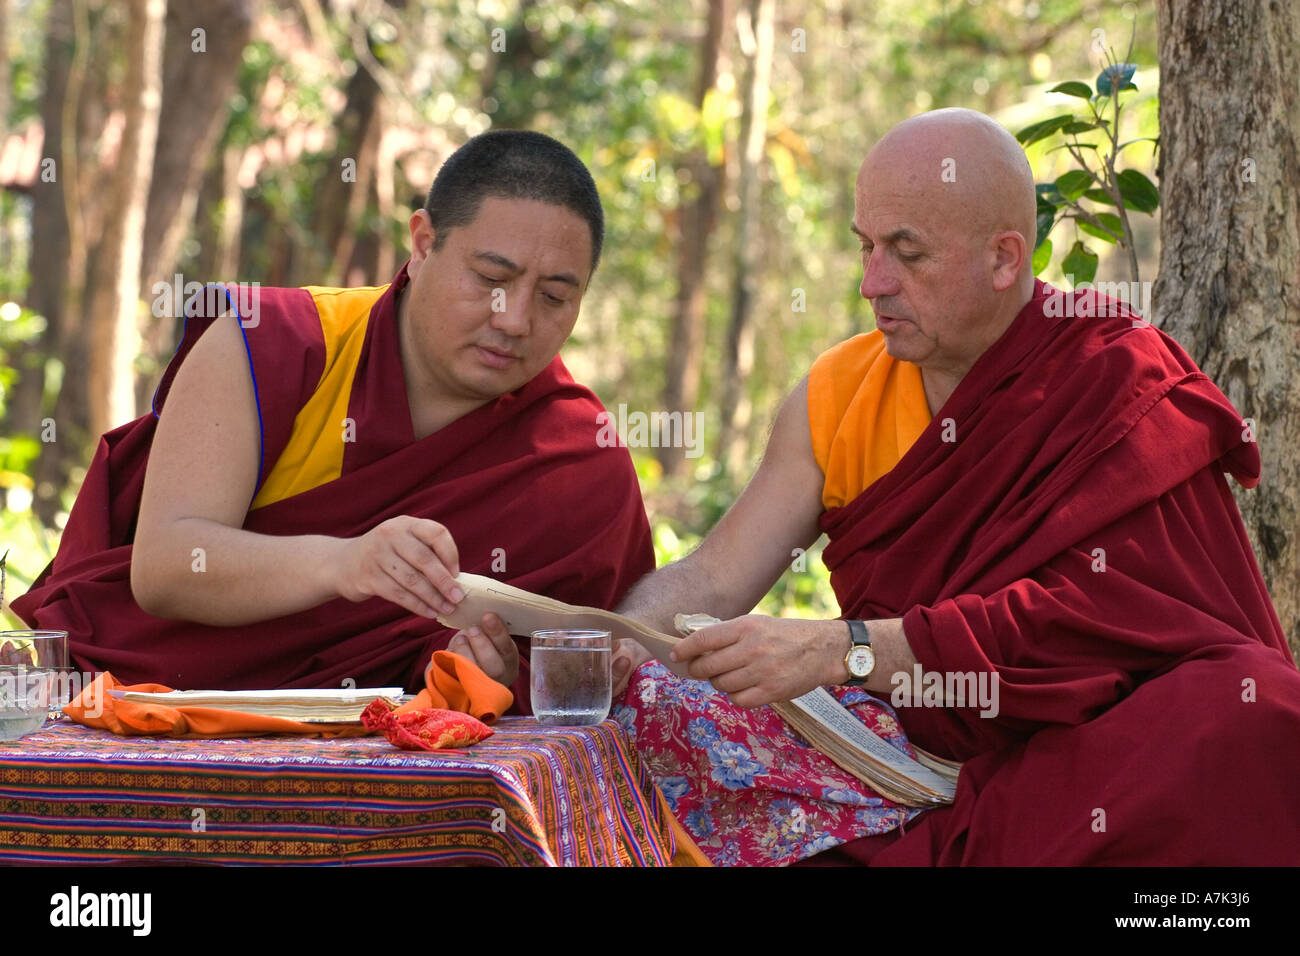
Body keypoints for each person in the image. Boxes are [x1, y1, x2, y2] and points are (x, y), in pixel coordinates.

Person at [610, 108, 1300, 865]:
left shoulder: (1117, 375)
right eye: (866, 248)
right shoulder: (840, 392)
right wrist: (614, 641)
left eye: (907, 254)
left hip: (1089, 752)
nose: (873, 284)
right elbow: (714, 573)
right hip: (896, 763)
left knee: (1250, 707)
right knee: (645, 715)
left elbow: (1114, 619)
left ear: (1006, 258)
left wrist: (852, 650)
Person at [13, 130, 654, 708]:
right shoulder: (278, 343)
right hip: (144, 705)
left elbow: (576, 672)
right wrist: (348, 565)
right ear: (424, 243)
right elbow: (170, 568)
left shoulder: (577, 456)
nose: (514, 319)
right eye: (492, 278)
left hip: (389, 766)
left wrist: (489, 670)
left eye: (553, 297)